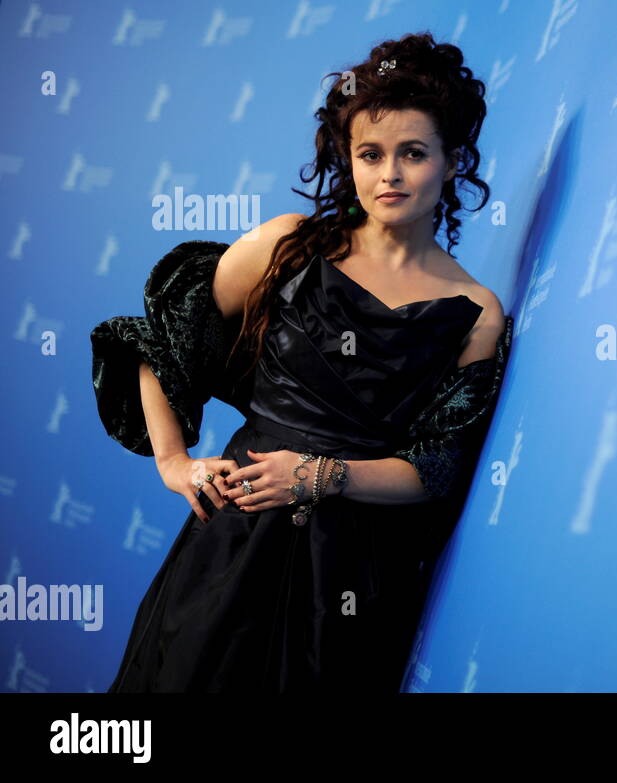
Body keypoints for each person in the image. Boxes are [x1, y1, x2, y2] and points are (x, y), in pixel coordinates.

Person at [88, 33, 512, 692]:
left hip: (349, 581)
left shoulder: (475, 312)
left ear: (453, 161)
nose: (389, 175)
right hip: (232, 545)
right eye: (370, 154)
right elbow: (154, 338)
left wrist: (320, 476)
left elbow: (435, 469)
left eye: (413, 154)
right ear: (347, 156)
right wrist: (175, 463)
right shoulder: (288, 248)